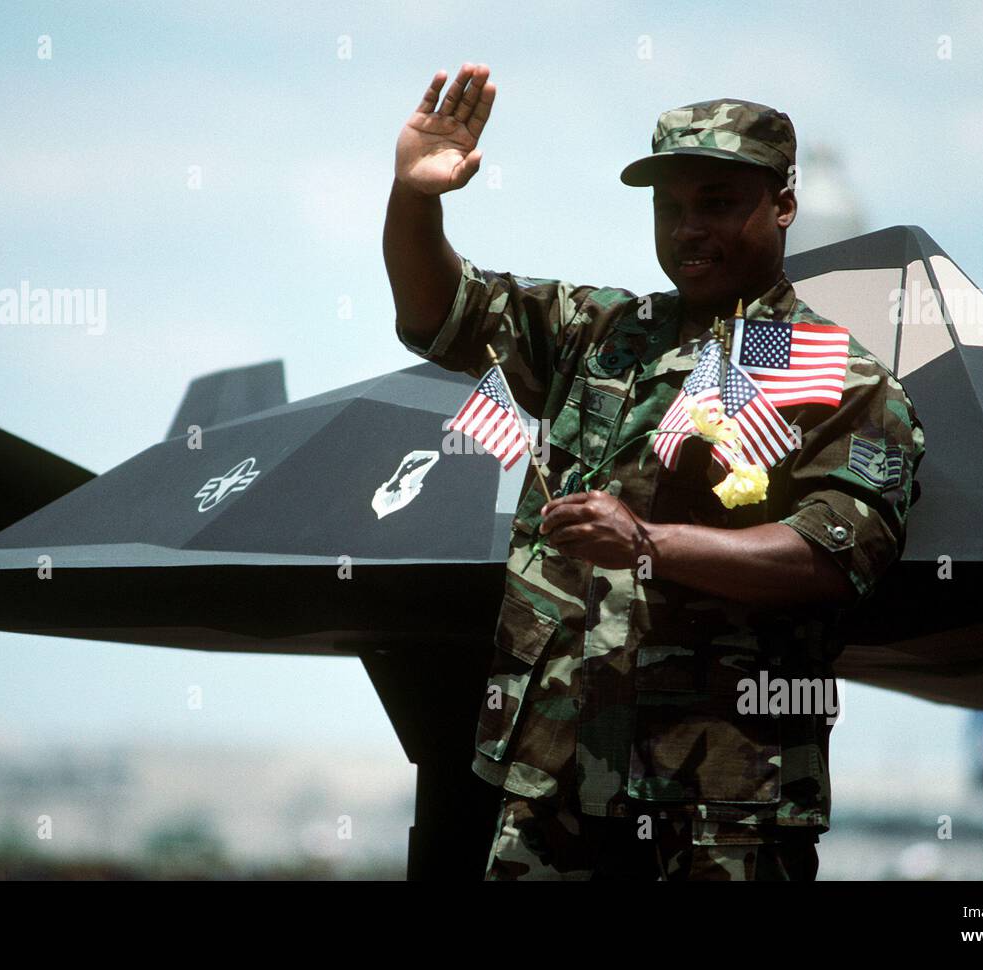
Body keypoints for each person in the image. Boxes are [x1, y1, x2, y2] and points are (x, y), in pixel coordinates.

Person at [384, 63, 925, 881]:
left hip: (717, 808)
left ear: (783, 205)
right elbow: (439, 310)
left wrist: (645, 543)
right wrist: (415, 197)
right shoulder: (599, 332)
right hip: (552, 785)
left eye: (716, 203)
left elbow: (830, 557)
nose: (687, 228)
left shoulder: (835, 377)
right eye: (669, 208)